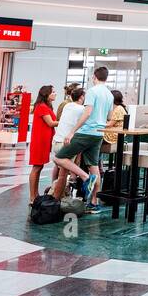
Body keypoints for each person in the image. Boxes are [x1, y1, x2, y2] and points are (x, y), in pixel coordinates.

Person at [54, 66, 111, 209]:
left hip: (86, 132)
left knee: (59, 158)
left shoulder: (92, 91)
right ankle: (94, 202)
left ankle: (85, 178)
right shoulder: (109, 94)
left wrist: (73, 131)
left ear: (94, 77)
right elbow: (109, 117)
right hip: (99, 134)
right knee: (94, 167)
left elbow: (87, 113)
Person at [49, 86, 86, 199]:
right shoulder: (81, 110)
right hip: (65, 144)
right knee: (63, 175)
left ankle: (57, 196)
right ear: (81, 97)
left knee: (61, 173)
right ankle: (55, 200)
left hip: (56, 142)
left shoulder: (67, 106)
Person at [27, 85, 57, 203]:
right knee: (37, 167)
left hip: (44, 140)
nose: (55, 94)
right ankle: (32, 196)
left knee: (39, 167)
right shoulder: (42, 106)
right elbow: (50, 123)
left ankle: (35, 194)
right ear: (46, 94)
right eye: (53, 92)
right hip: (39, 141)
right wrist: (66, 121)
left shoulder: (46, 106)